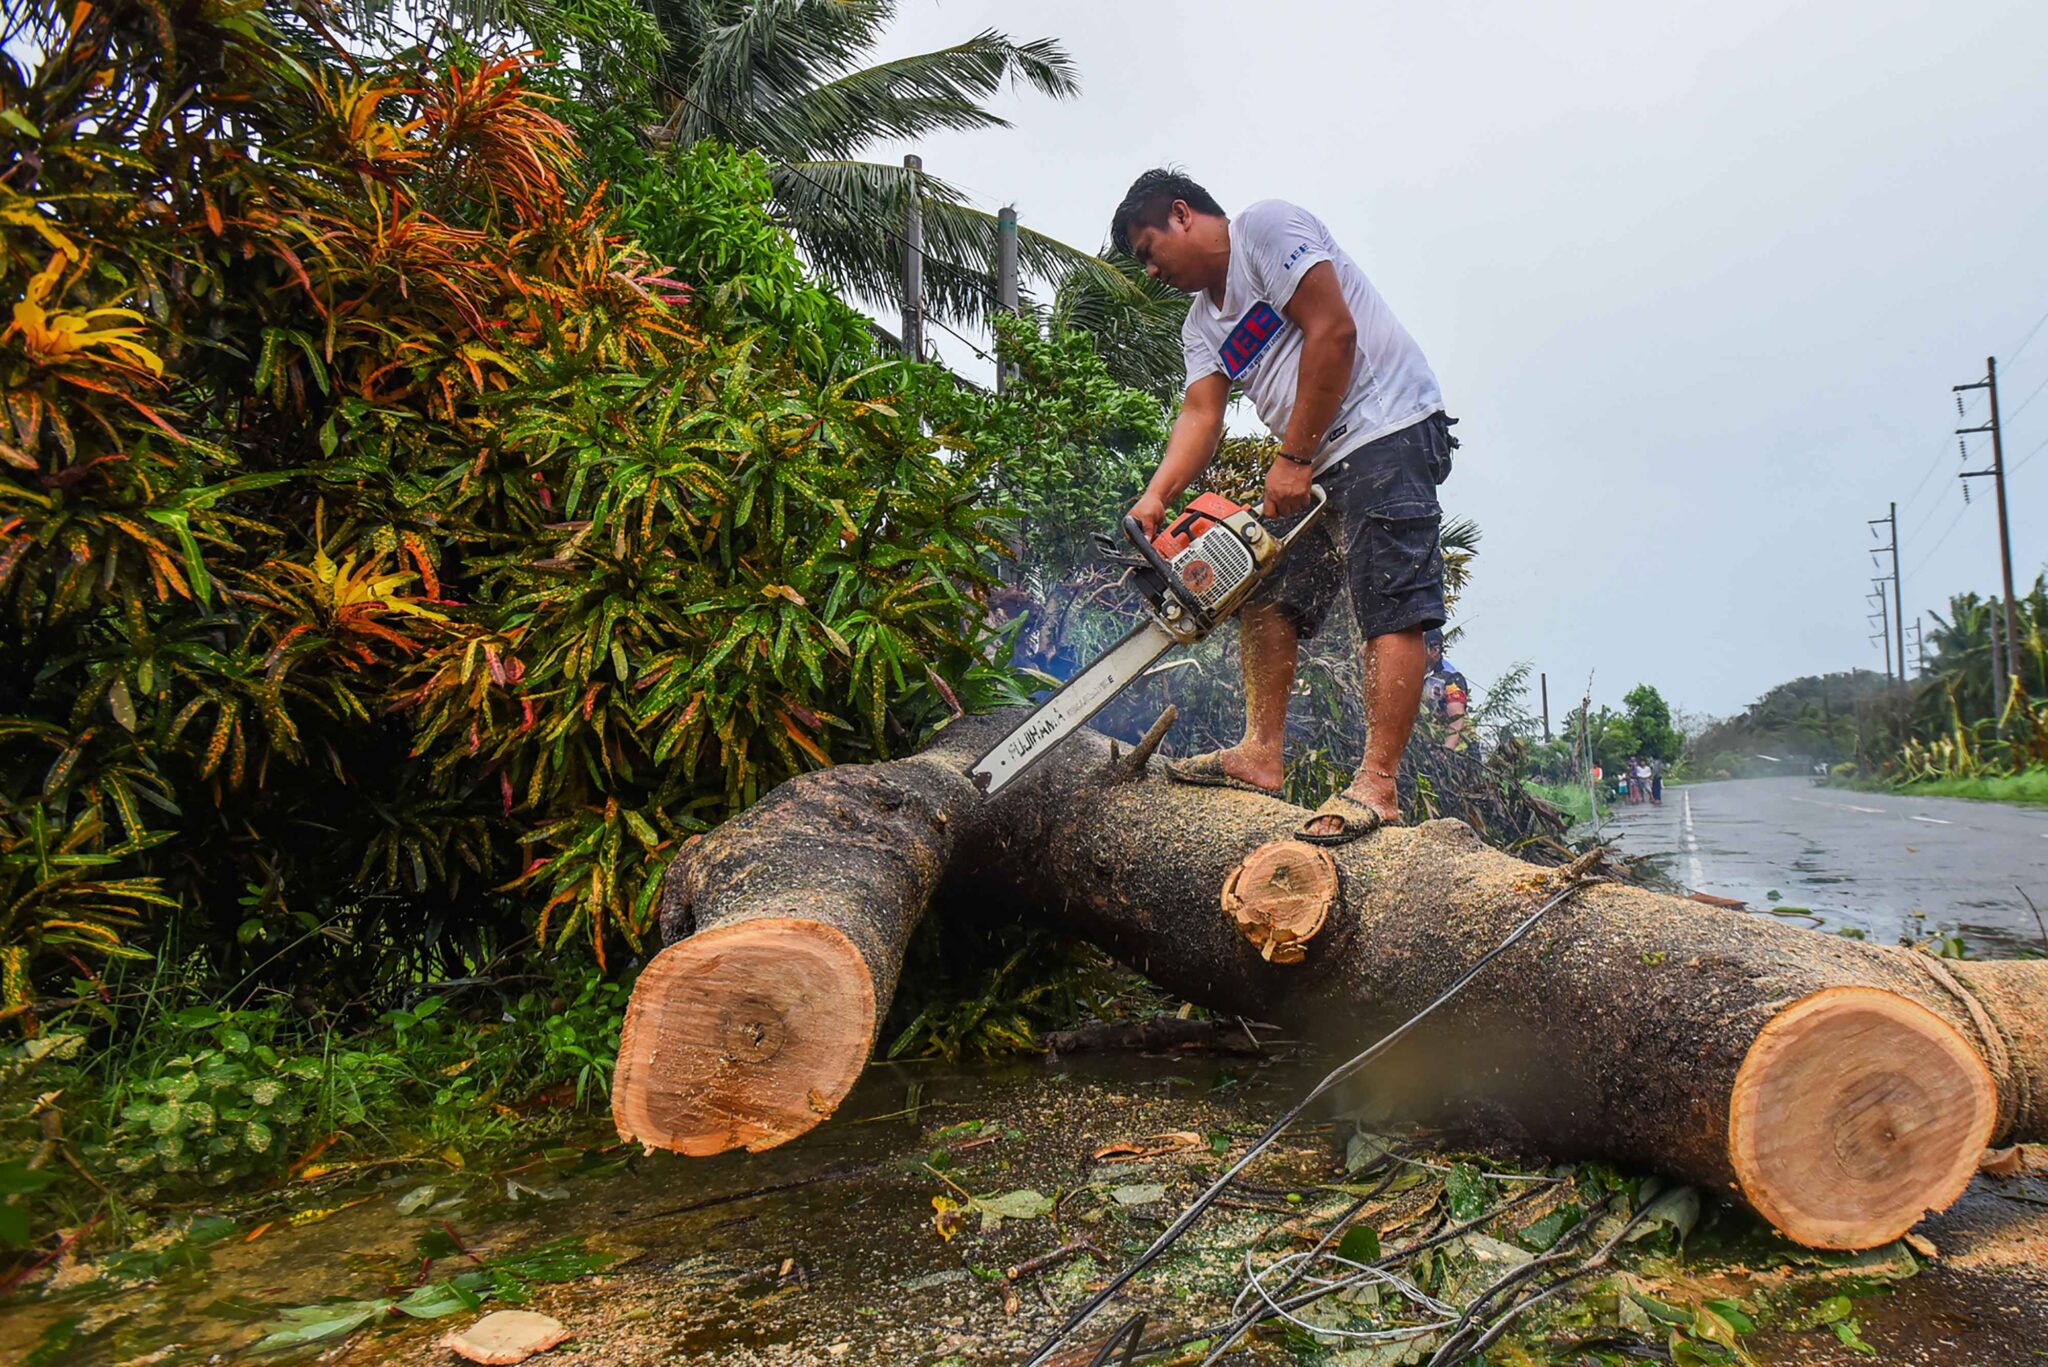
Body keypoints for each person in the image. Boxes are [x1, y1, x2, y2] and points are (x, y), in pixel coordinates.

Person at [1112, 170, 1455, 844]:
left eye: (1150, 249)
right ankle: (1260, 753)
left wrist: (1293, 456)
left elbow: (1333, 330)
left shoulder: (1265, 231)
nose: (1150, 269)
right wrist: (1156, 494)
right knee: (1266, 589)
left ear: (1182, 215)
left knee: (1391, 597)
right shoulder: (1200, 325)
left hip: (1385, 425)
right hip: (1319, 460)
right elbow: (1201, 414)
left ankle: (1378, 785)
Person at [1419, 628, 1471, 753]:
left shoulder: (1450, 677)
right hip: (1427, 745)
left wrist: (1447, 751)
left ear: (1434, 650)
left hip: (1458, 754)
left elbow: (1457, 718)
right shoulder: (1417, 672)